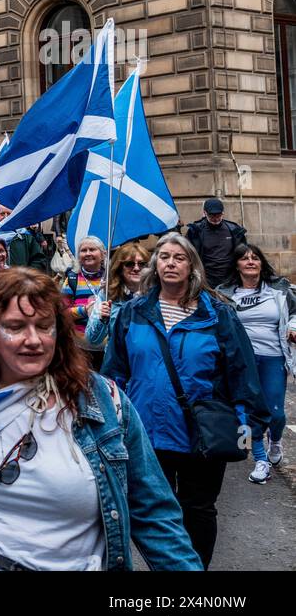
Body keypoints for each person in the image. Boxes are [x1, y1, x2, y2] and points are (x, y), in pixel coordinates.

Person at [0, 268, 201, 571]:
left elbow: (155, 515)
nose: (33, 340)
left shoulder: (104, 402)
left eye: (44, 326)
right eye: (16, 327)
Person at [102, 233, 266, 568]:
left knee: (199, 509)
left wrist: (249, 426)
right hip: (146, 434)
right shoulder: (133, 313)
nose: (171, 263)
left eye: (179, 257)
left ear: (192, 266)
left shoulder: (218, 314)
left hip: (202, 433)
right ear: (155, 265)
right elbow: (114, 375)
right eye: (164, 257)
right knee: (154, 511)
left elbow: (241, 371)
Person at [218, 244, 296, 484]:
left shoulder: (280, 288)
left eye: (255, 258)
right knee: (247, 412)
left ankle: (275, 439)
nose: (250, 261)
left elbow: (294, 312)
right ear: (237, 264)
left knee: (275, 413)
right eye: (244, 258)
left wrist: (293, 328)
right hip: (242, 361)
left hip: (273, 356)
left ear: (261, 263)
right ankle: (260, 460)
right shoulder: (224, 293)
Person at [84, 243, 149, 350]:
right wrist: (101, 320)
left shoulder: (155, 294)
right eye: (129, 264)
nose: (136, 268)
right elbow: (92, 339)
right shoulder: (107, 295)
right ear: (119, 268)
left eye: (142, 264)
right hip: (117, 362)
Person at [62, 235, 107, 370]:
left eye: (92, 249)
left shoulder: (112, 278)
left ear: (103, 254)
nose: (88, 253)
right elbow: (61, 312)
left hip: (108, 348)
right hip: (80, 347)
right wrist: (84, 310)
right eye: (83, 250)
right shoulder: (72, 279)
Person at [186, 198, 247, 288]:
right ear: (205, 213)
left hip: (229, 280)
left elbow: (243, 253)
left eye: (218, 215)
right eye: (212, 216)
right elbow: (185, 252)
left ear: (223, 213)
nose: (215, 218)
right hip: (205, 280)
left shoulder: (234, 230)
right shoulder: (196, 231)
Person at [0, 201, 49, 272]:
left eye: (9, 214)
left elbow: (39, 260)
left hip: (21, 281)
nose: (6, 217)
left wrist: (27, 275)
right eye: (2, 214)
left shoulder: (25, 236)